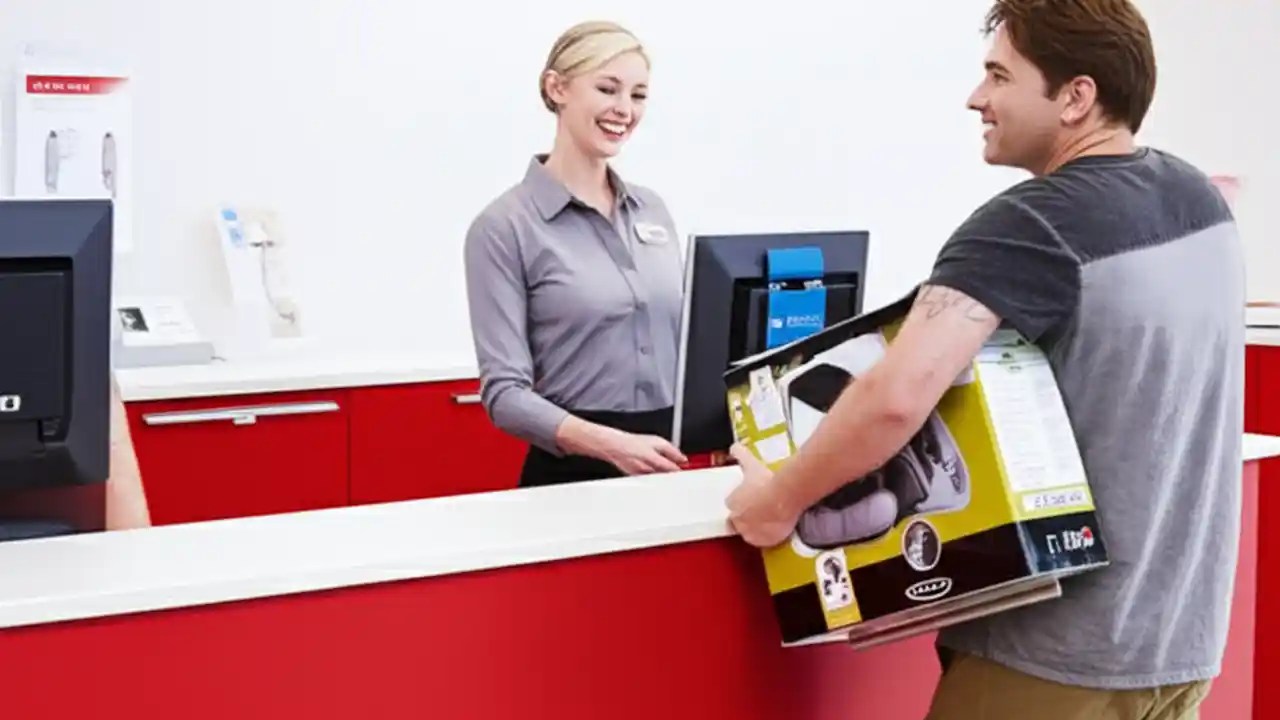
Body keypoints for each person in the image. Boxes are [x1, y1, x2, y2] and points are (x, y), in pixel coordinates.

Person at [726, 0, 1243, 717]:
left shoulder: (1029, 224)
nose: (977, 98)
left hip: (1057, 662)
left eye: (999, 76)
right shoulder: (1199, 201)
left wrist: (778, 502)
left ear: (1076, 97)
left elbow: (898, 396)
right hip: (1179, 650)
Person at [463, 21, 688, 488]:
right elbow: (504, 394)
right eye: (607, 88)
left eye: (638, 95)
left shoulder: (654, 210)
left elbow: (685, 343)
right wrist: (610, 444)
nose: (624, 110)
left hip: (668, 464)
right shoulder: (504, 227)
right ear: (557, 87)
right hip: (572, 475)